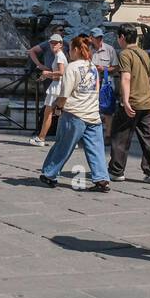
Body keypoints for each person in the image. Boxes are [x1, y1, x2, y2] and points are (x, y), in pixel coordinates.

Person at [39, 34, 111, 192]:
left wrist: (58, 107)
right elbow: (96, 90)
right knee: (96, 148)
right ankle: (102, 179)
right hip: (92, 113)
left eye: (70, 48)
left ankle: (49, 173)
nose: (68, 51)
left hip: (75, 113)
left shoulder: (72, 67)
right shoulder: (91, 66)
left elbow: (64, 93)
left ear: (77, 49)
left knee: (63, 145)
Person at [108, 25, 150, 185]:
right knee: (148, 138)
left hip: (132, 102)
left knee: (120, 136)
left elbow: (126, 78)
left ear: (122, 37)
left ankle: (117, 171)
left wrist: (125, 100)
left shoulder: (125, 54)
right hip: (147, 102)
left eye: (118, 37)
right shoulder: (144, 53)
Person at [29, 34, 67, 148]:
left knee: (48, 113)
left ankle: (41, 138)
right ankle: (65, 139)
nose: (54, 45)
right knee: (59, 113)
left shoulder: (59, 56)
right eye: (52, 43)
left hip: (56, 88)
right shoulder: (58, 56)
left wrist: (47, 73)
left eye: (56, 43)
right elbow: (58, 75)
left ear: (61, 44)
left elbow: (61, 73)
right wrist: (46, 76)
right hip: (58, 86)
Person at [89, 27, 118, 136]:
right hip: (91, 83)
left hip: (106, 83)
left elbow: (116, 67)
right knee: (91, 108)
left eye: (101, 37)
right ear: (91, 38)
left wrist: (104, 69)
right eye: (97, 37)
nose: (100, 39)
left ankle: (108, 134)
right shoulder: (87, 50)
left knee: (108, 110)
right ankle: (93, 134)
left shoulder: (110, 49)